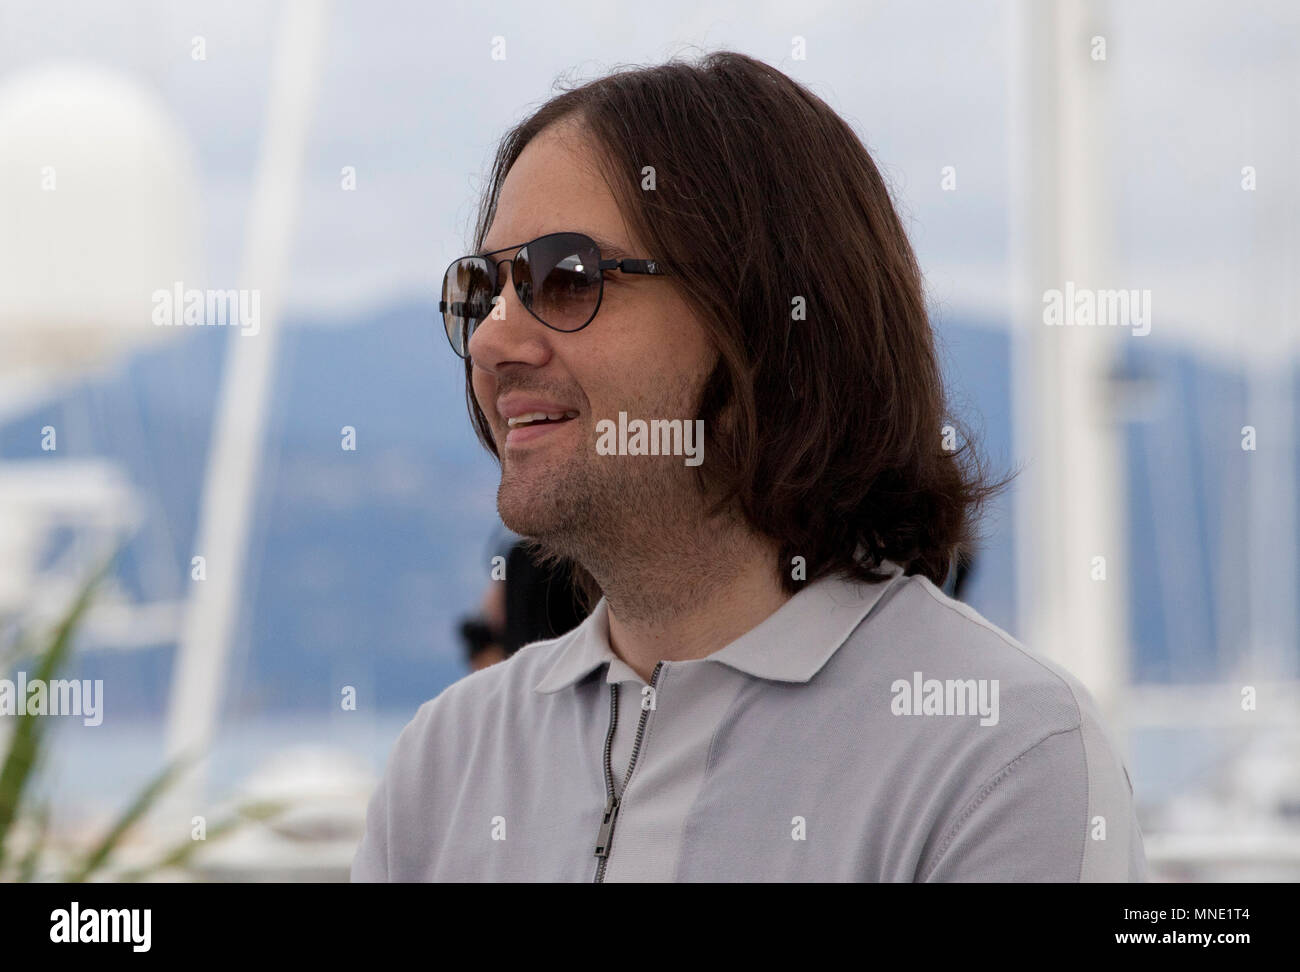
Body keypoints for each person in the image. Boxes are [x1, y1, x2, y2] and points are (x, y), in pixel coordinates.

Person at [354, 51, 1146, 881]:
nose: (489, 340)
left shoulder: (999, 759)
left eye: (564, 279)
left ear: (765, 318)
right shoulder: (445, 765)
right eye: (483, 288)